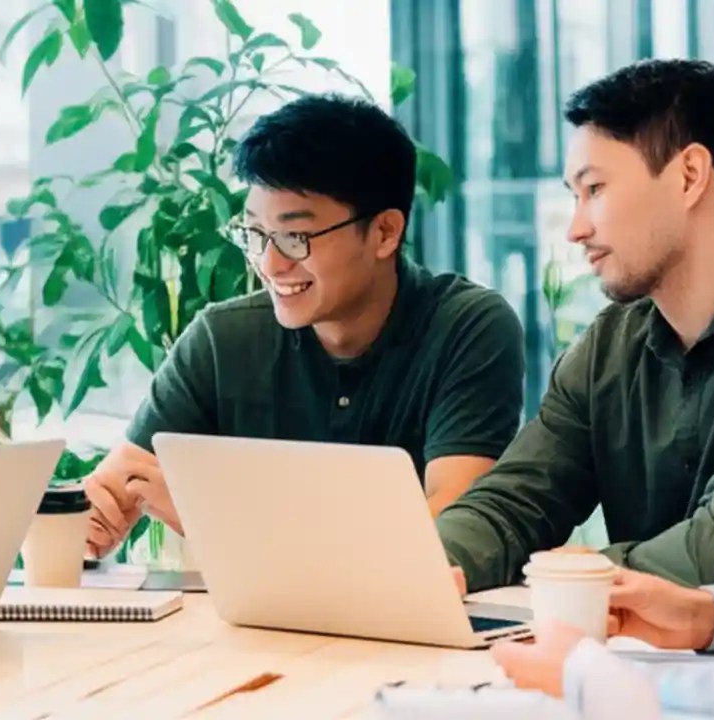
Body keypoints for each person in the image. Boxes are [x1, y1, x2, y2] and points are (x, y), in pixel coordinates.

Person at [85, 93, 526, 557]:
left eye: (296, 237)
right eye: (254, 234)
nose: (270, 264)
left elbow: (452, 525)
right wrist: (90, 518)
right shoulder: (222, 339)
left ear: (384, 233)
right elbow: (120, 484)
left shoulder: (468, 329)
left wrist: (219, 521)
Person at [489, 62, 714, 719]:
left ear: (688, 175)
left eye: (593, 189)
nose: (574, 229)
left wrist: (577, 579)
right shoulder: (608, 344)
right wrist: (428, 571)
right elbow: (514, 499)